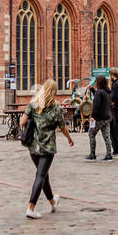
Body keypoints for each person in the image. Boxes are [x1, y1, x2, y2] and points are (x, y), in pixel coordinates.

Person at [22, 79, 74, 219]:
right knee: (41, 175)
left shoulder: (34, 104)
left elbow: (22, 122)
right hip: (48, 147)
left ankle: (52, 202)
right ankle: (31, 208)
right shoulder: (56, 107)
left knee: (44, 175)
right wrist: (69, 138)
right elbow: (62, 127)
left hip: (33, 146)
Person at [85, 75, 113, 161]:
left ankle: (92, 154)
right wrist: (93, 90)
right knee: (106, 136)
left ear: (98, 82)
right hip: (107, 117)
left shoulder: (99, 92)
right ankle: (109, 155)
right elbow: (100, 96)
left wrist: (93, 116)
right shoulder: (107, 92)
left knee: (91, 133)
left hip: (99, 118)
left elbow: (96, 105)